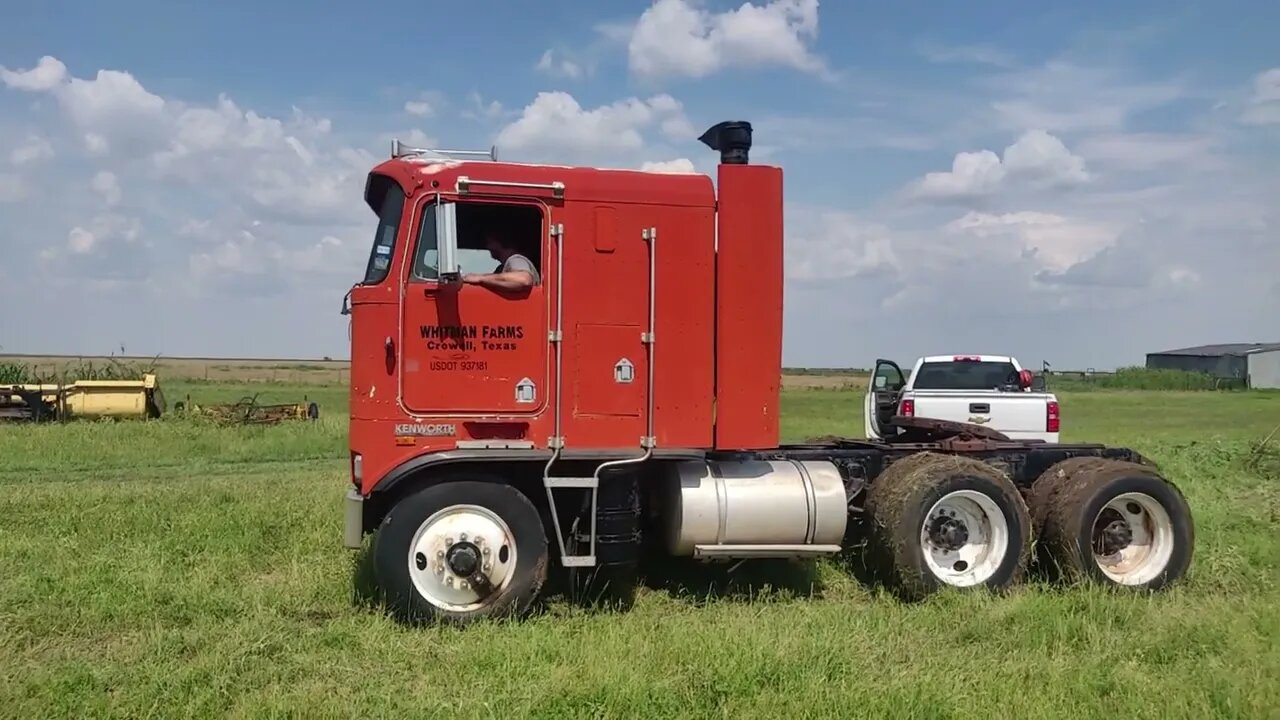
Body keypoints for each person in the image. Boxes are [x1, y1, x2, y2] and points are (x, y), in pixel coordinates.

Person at [461, 232, 540, 292]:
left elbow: (524, 279)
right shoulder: (502, 267)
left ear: (500, 242)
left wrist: (480, 278)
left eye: (490, 242)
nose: (488, 246)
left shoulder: (516, 260)